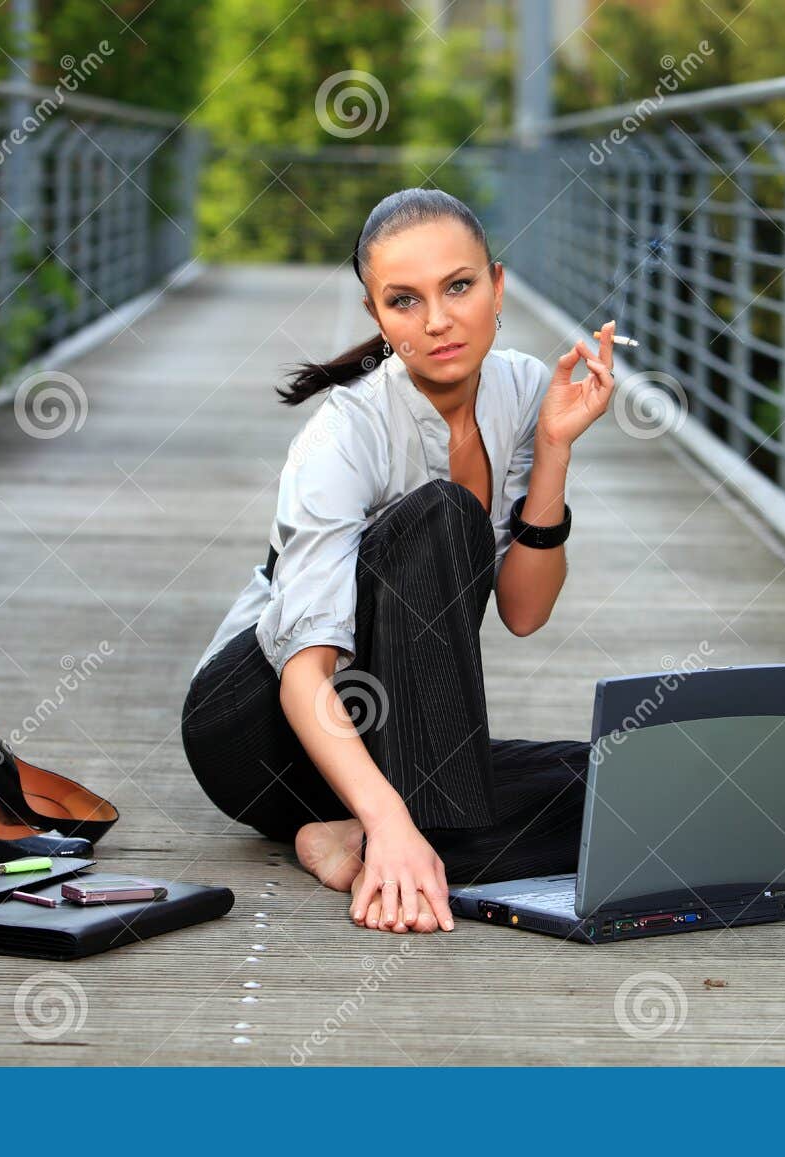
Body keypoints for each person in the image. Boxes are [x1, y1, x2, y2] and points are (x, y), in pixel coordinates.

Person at [180, 187, 618, 935]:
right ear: (378, 316)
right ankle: (398, 826)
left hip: (393, 736)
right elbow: (305, 673)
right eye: (404, 300)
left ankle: (362, 833)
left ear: (497, 285)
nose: (438, 320)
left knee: (616, 785)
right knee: (446, 511)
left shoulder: (519, 391)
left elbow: (523, 610)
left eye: (458, 286)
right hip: (258, 727)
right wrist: (394, 815)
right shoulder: (345, 432)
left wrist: (553, 449)